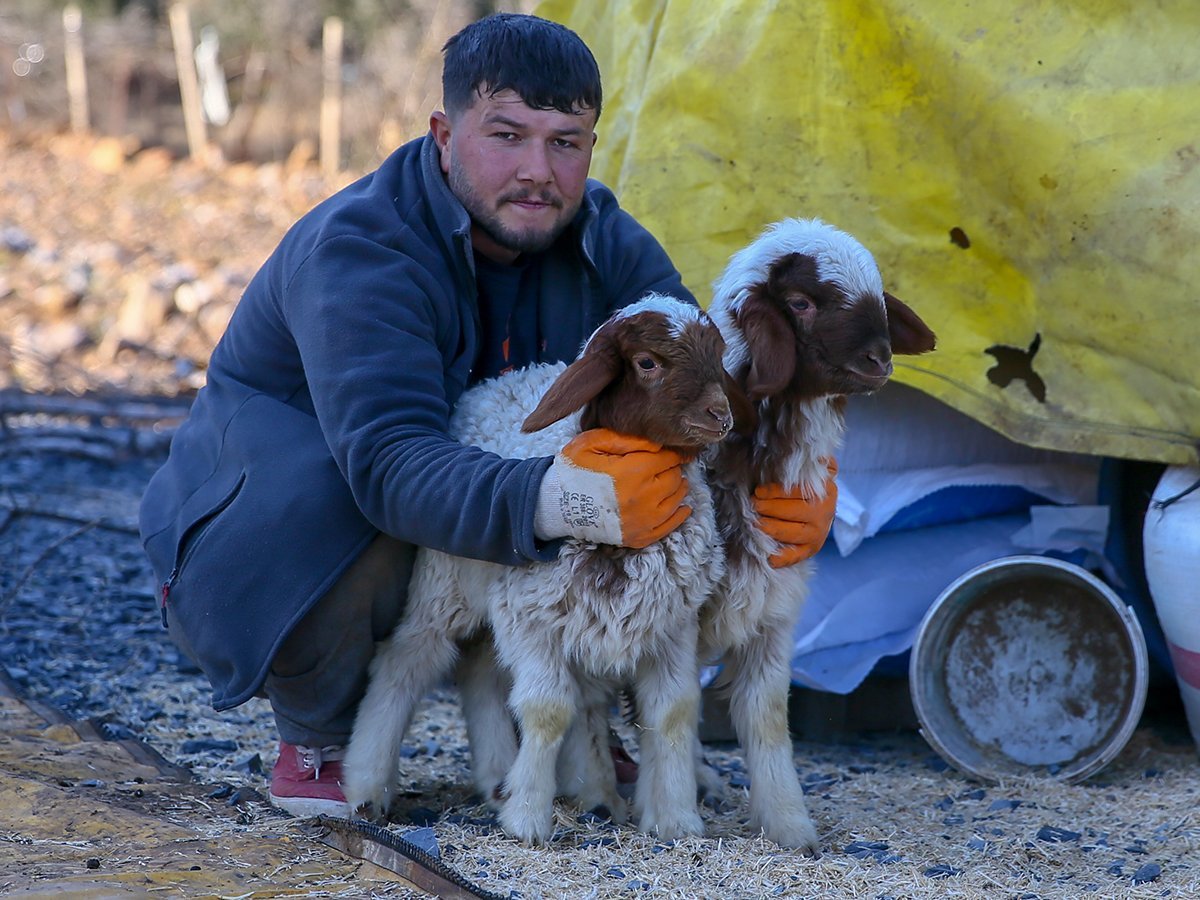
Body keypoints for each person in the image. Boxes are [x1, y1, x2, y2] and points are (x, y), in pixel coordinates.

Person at [138, 12, 837, 818]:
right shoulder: (362, 251)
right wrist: (563, 499)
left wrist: (777, 486)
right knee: (349, 491)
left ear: (590, 149)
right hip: (250, 546)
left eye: (565, 142)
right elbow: (391, 462)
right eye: (506, 134)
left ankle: (583, 714)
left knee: (676, 498)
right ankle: (321, 731)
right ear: (443, 132)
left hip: (471, 500)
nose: (537, 169)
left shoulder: (608, 242)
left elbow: (697, 385)